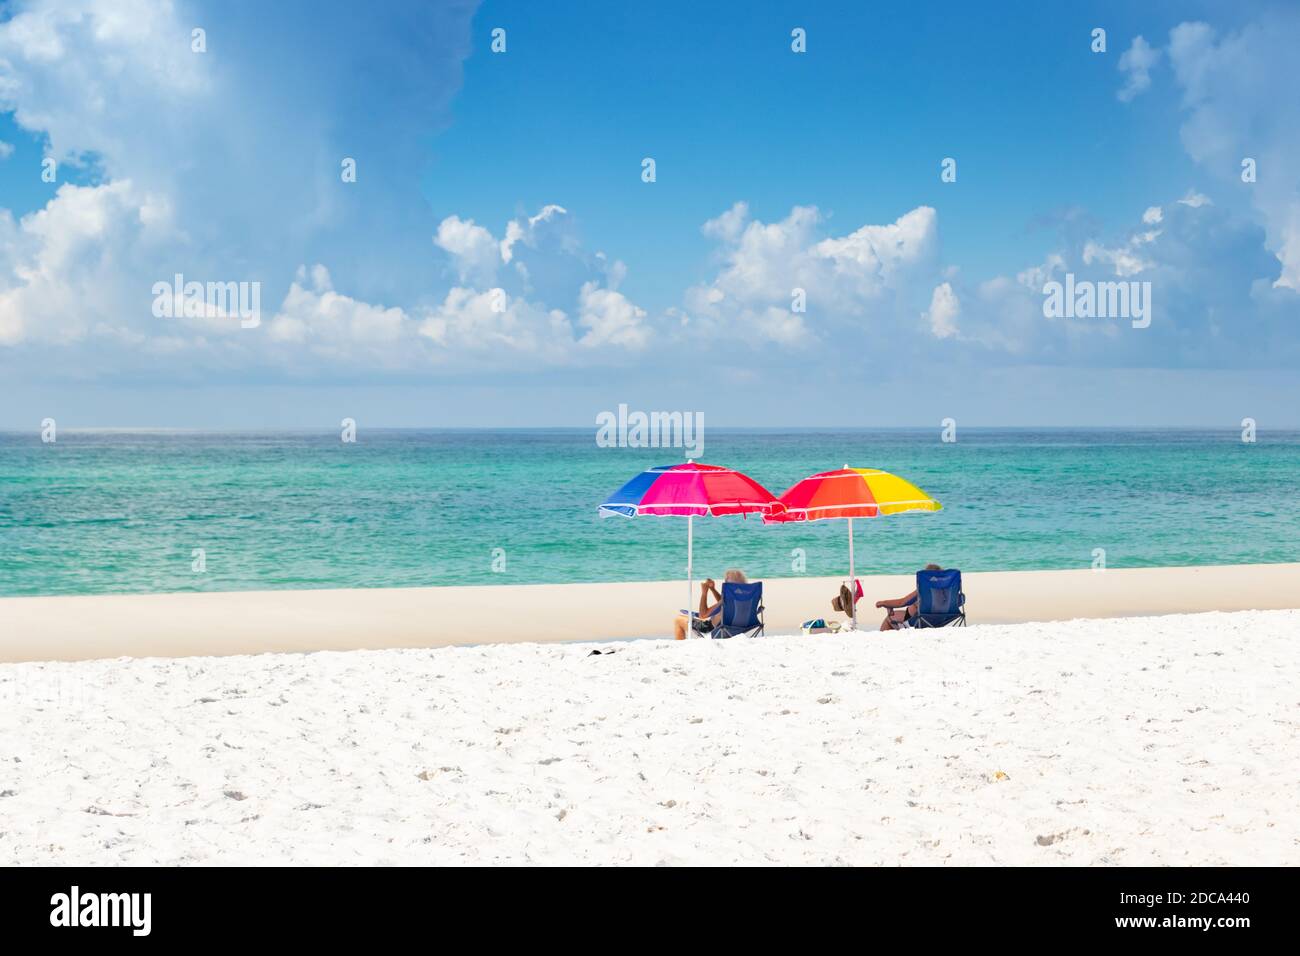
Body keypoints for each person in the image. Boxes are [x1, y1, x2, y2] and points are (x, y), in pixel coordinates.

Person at [673, 568, 747, 640]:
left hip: (710, 629)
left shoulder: (727, 599)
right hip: (735, 630)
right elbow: (722, 603)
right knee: (684, 617)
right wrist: (713, 589)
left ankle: (682, 645)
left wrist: (704, 593)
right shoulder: (745, 597)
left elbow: (703, 615)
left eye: (726, 581)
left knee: (678, 619)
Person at [876, 563, 943, 631]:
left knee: (889, 618)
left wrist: (883, 603)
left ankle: (881, 638)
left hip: (918, 621)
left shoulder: (923, 590)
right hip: (939, 621)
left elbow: (901, 602)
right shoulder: (946, 591)